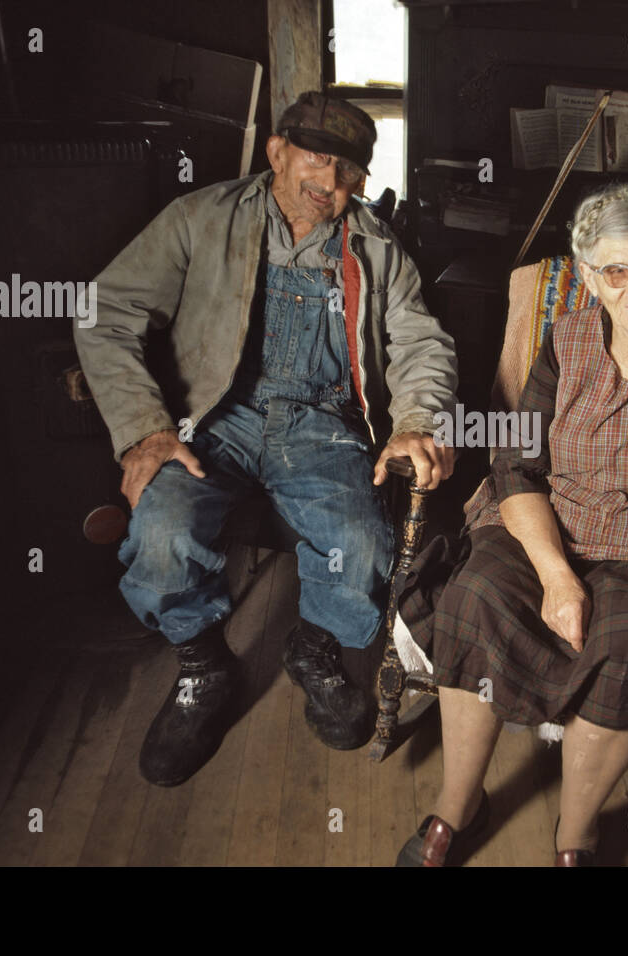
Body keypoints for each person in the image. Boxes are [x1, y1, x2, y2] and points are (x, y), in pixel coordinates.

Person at [73, 91, 458, 787]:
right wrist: (144, 430)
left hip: (321, 423)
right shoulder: (202, 217)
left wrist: (415, 424)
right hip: (210, 419)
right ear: (277, 151)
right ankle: (203, 668)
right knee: (160, 537)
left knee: (364, 544)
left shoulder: (374, 246)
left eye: (349, 175)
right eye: (318, 161)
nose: (331, 187)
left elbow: (421, 342)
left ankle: (312, 649)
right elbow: (105, 308)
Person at [394, 183, 628, 865]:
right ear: (589, 276)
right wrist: (558, 575)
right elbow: (516, 468)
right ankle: (458, 804)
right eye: (616, 270)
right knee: (474, 598)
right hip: (550, 525)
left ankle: (576, 833)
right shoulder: (566, 340)